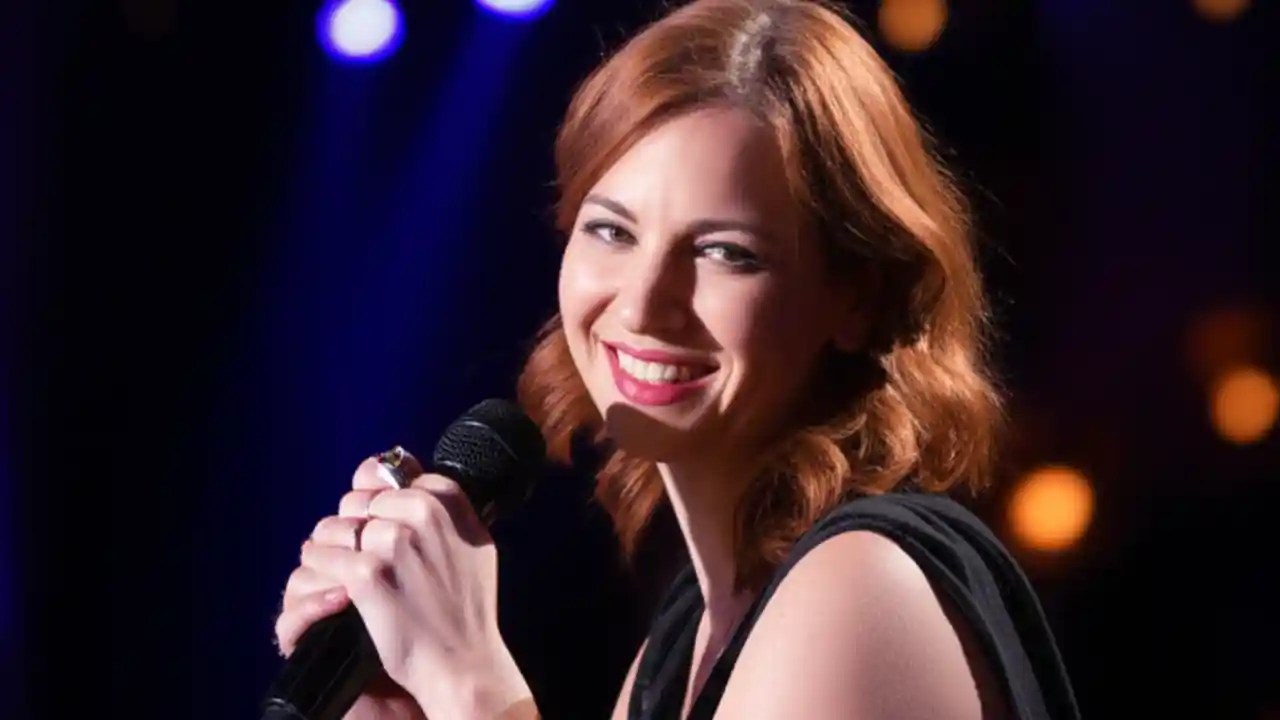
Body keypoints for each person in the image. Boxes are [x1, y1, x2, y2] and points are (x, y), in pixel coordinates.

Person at [273, 0, 1080, 718]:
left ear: (856, 297)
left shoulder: (857, 592)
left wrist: (471, 683)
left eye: (726, 252)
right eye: (612, 231)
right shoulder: (689, 634)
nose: (642, 303)